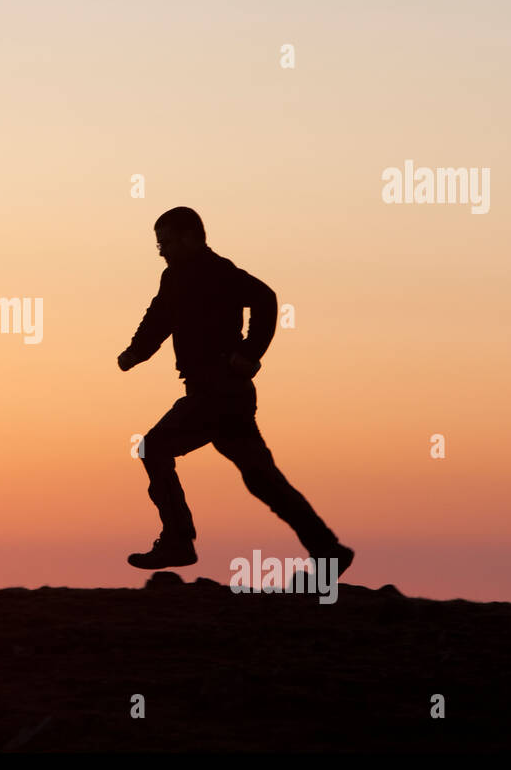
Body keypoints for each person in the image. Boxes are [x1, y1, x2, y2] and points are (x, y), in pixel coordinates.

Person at [117, 207, 355, 576]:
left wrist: (249, 353)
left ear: (191, 238)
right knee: (262, 480)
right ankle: (328, 550)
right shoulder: (174, 277)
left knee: (154, 447)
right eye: (158, 244)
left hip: (219, 392)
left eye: (166, 242)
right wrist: (136, 352)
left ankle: (178, 539)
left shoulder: (218, 272)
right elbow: (160, 317)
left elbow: (265, 298)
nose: (162, 250)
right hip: (216, 394)